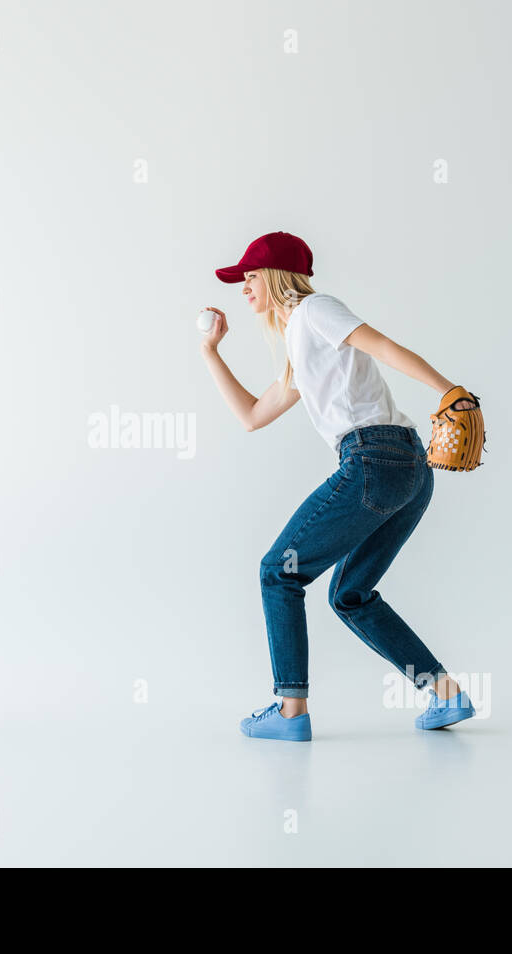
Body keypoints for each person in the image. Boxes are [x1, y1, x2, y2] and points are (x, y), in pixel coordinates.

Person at [200, 231, 476, 741]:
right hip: (409, 469)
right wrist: (210, 351)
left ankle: (290, 712)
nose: (243, 288)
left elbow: (383, 346)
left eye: (250, 276)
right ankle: (446, 694)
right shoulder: (300, 344)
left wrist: (448, 391)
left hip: (373, 458)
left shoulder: (314, 311)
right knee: (350, 594)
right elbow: (252, 416)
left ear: (279, 277)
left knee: (276, 573)